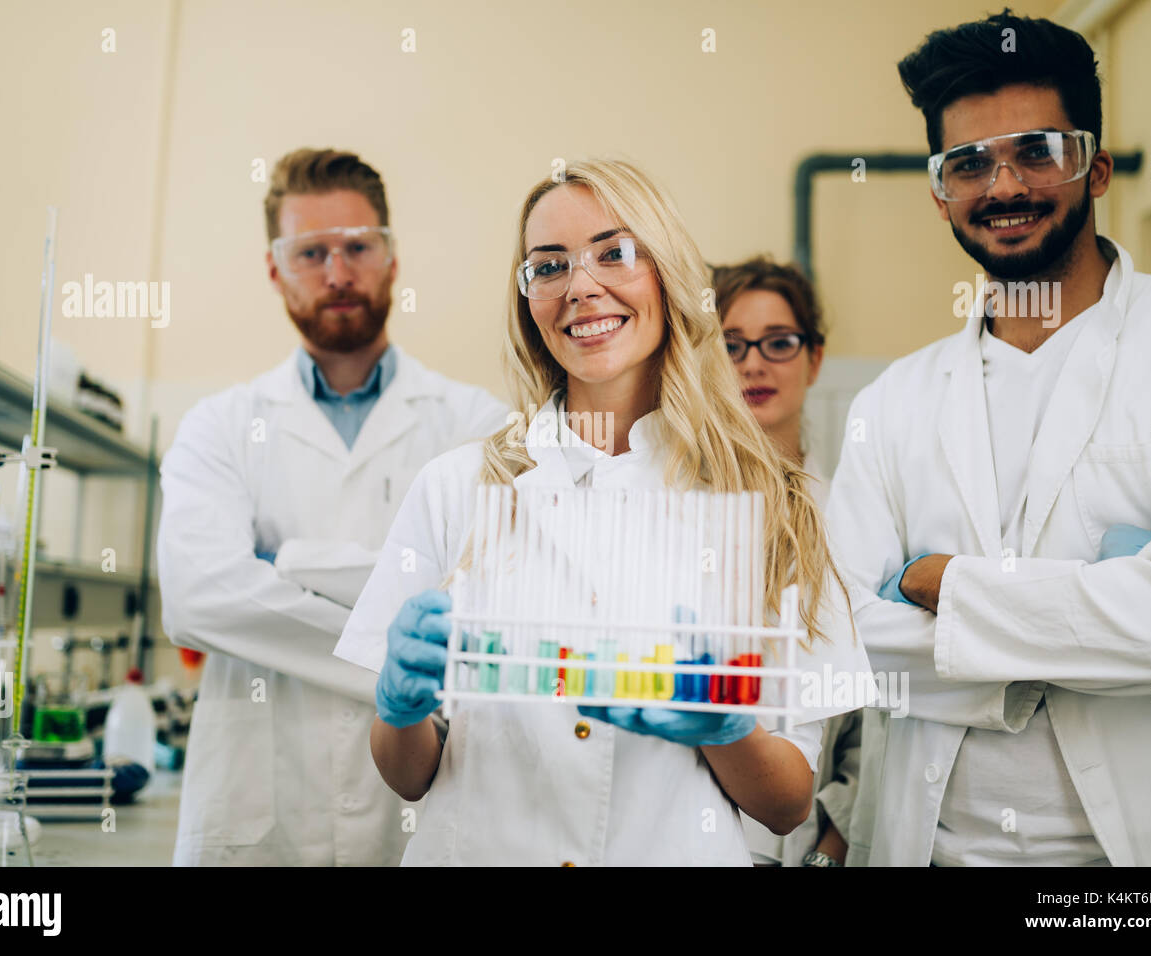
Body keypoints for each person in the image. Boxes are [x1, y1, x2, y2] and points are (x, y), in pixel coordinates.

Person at [333, 159, 876, 865]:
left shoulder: (777, 508)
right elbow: (406, 776)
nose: (580, 287)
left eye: (614, 253)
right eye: (548, 265)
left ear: (669, 274)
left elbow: (787, 804)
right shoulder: (457, 487)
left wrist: (723, 727)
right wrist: (398, 708)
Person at [825, 11, 1151, 866]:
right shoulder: (894, 402)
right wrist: (1093, 606)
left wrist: (944, 584)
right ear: (940, 193)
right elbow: (847, 638)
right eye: (968, 164)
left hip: (1120, 876)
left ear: (1096, 165)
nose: (1003, 187)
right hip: (927, 849)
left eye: (1037, 150)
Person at [157, 148, 507, 866]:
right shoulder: (220, 426)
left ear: (392, 258)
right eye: (311, 251)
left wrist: (282, 565)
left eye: (358, 246)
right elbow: (195, 597)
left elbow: (492, 602)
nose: (338, 272)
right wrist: (399, 653)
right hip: (257, 817)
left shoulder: (477, 425)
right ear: (274, 269)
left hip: (416, 810)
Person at [714, 256, 860, 868]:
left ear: (815, 357)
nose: (753, 363)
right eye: (732, 345)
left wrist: (831, 846)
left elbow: (875, 720)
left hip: (804, 843)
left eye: (778, 343)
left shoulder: (853, 512)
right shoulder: (683, 506)